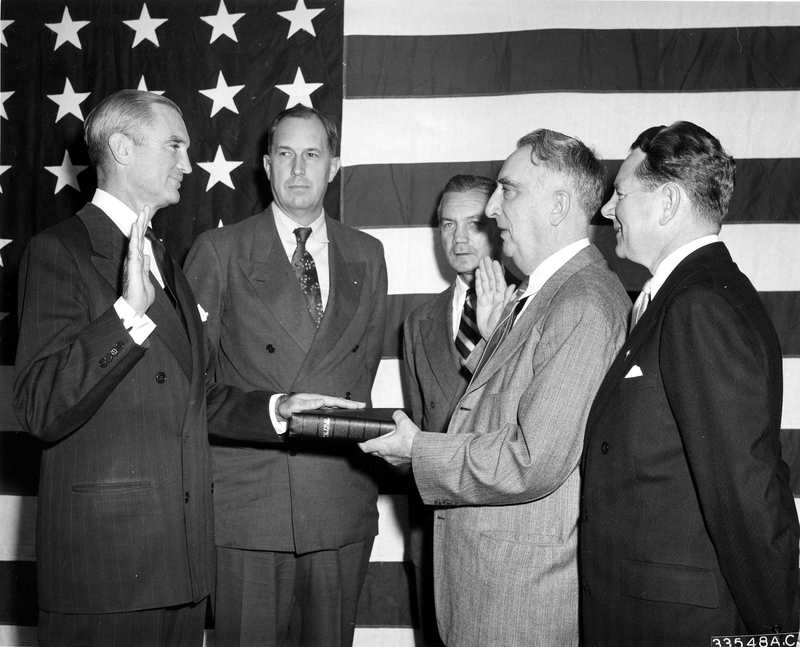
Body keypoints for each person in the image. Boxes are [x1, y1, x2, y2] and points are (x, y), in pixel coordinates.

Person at [12, 90, 359, 647]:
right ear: (122, 149)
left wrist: (275, 409)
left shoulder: (163, 257)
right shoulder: (61, 251)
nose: (187, 162)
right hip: (107, 570)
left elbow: (194, 397)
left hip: (181, 564)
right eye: (174, 145)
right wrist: (126, 316)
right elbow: (36, 407)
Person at [361, 129, 630, 647]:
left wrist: (419, 449)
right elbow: (504, 409)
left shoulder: (583, 302)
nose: (491, 206)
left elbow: (532, 457)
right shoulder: (544, 294)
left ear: (558, 205)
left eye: (508, 189)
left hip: (521, 601)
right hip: (493, 588)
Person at [579, 121, 800, 645]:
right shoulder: (682, 297)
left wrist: (781, 633)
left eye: (621, 193)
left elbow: (744, 490)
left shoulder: (699, 306)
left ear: (669, 202)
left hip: (677, 625)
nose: (608, 210)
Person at [183, 105, 388, 647]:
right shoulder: (219, 252)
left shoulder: (368, 254)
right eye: (285, 155)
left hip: (338, 500)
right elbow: (190, 391)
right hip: (250, 505)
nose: (299, 169)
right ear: (266, 165)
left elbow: (359, 379)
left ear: (334, 166)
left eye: (312, 155)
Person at [402, 174, 501, 644]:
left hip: (503, 540)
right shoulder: (419, 322)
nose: (459, 238)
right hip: (436, 538)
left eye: (474, 224)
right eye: (447, 225)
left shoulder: (536, 307)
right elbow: (422, 430)